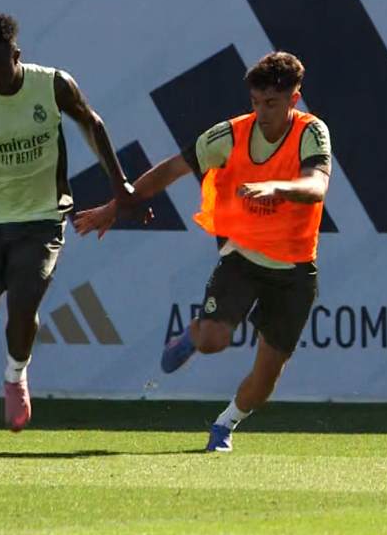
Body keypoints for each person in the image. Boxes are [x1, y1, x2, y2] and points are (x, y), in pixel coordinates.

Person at [74, 52, 330, 453]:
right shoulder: (229, 135)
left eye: (272, 104)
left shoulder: (311, 132)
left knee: (265, 382)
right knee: (213, 340)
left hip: (295, 268)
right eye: (256, 102)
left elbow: (316, 187)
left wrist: (277, 187)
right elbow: (170, 170)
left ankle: (224, 424)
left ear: (293, 100)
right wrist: (114, 207)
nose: (262, 113)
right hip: (242, 255)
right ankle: (194, 334)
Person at [0, 12, 142, 432]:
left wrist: (121, 184)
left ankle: (15, 374)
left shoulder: (52, 84)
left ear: (16, 55)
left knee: (22, 308)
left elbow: (92, 124)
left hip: (42, 220)